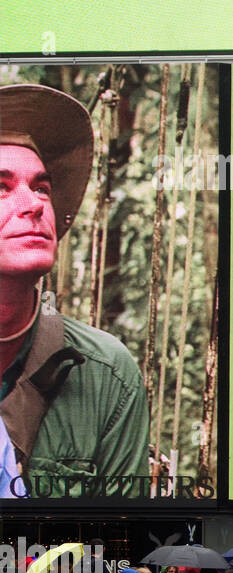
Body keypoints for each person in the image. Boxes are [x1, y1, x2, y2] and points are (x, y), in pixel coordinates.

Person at [0, 84, 149, 487]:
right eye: (2, 187)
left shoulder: (105, 372)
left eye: (41, 188)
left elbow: (124, 534)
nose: (33, 204)